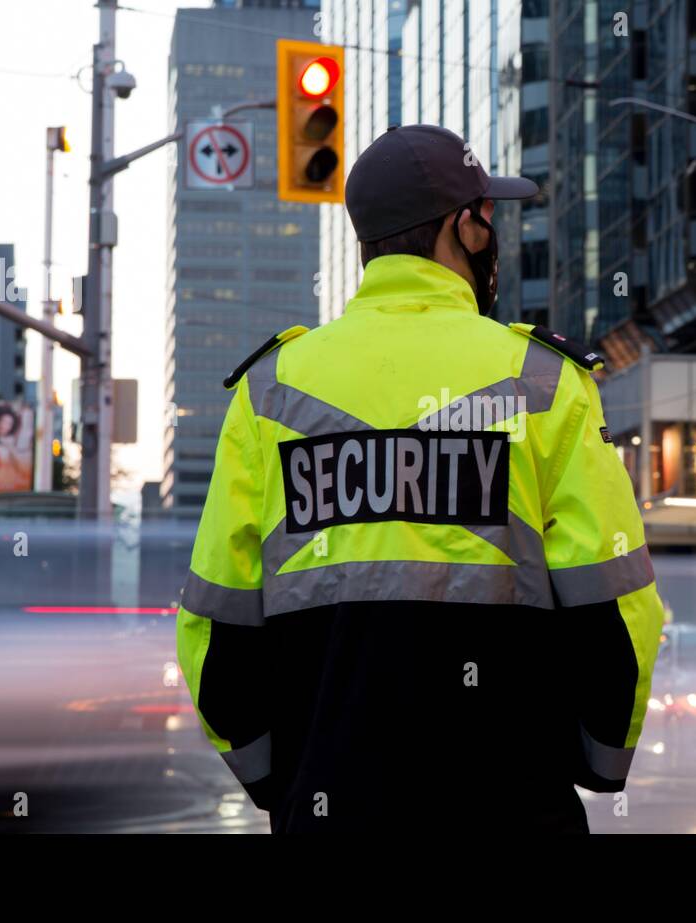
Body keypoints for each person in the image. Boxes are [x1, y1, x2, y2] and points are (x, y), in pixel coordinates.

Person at [177, 124, 664, 833]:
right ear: (463, 228)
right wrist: (597, 762)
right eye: (488, 217)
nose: (493, 237)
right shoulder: (543, 382)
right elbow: (619, 610)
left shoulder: (269, 391)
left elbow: (215, 624)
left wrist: (280, 779)